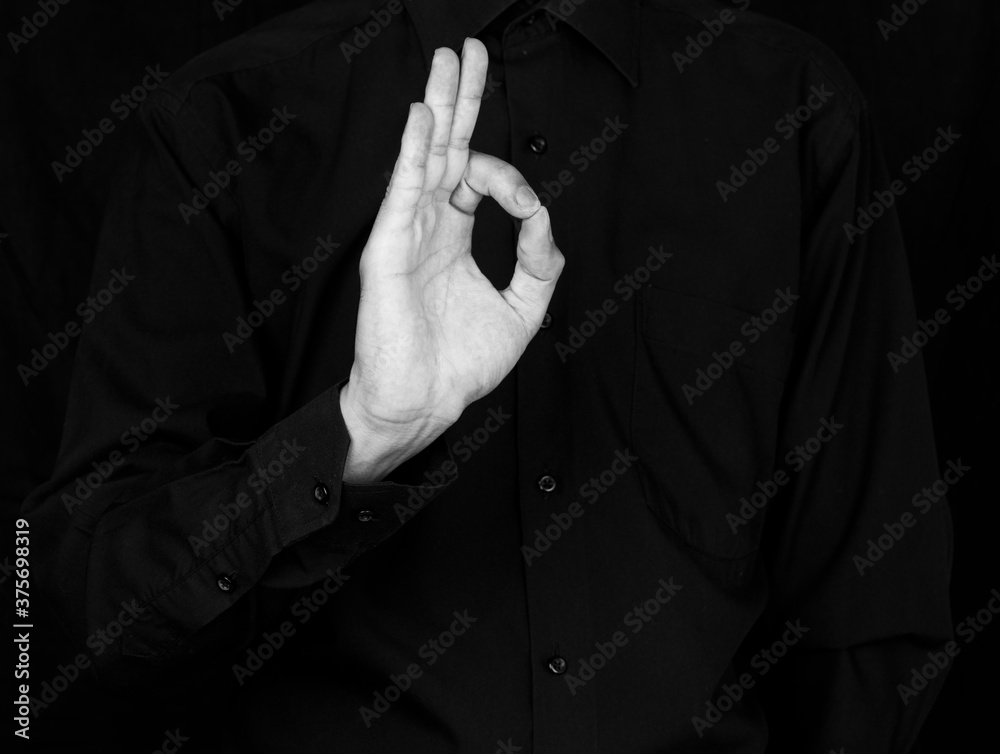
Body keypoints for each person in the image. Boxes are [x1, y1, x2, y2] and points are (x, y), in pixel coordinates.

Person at [24, 0, 953, 751]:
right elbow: (70, 636)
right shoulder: (220, 121)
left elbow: (873, 603)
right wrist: (357, 437)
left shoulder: (793, 110)